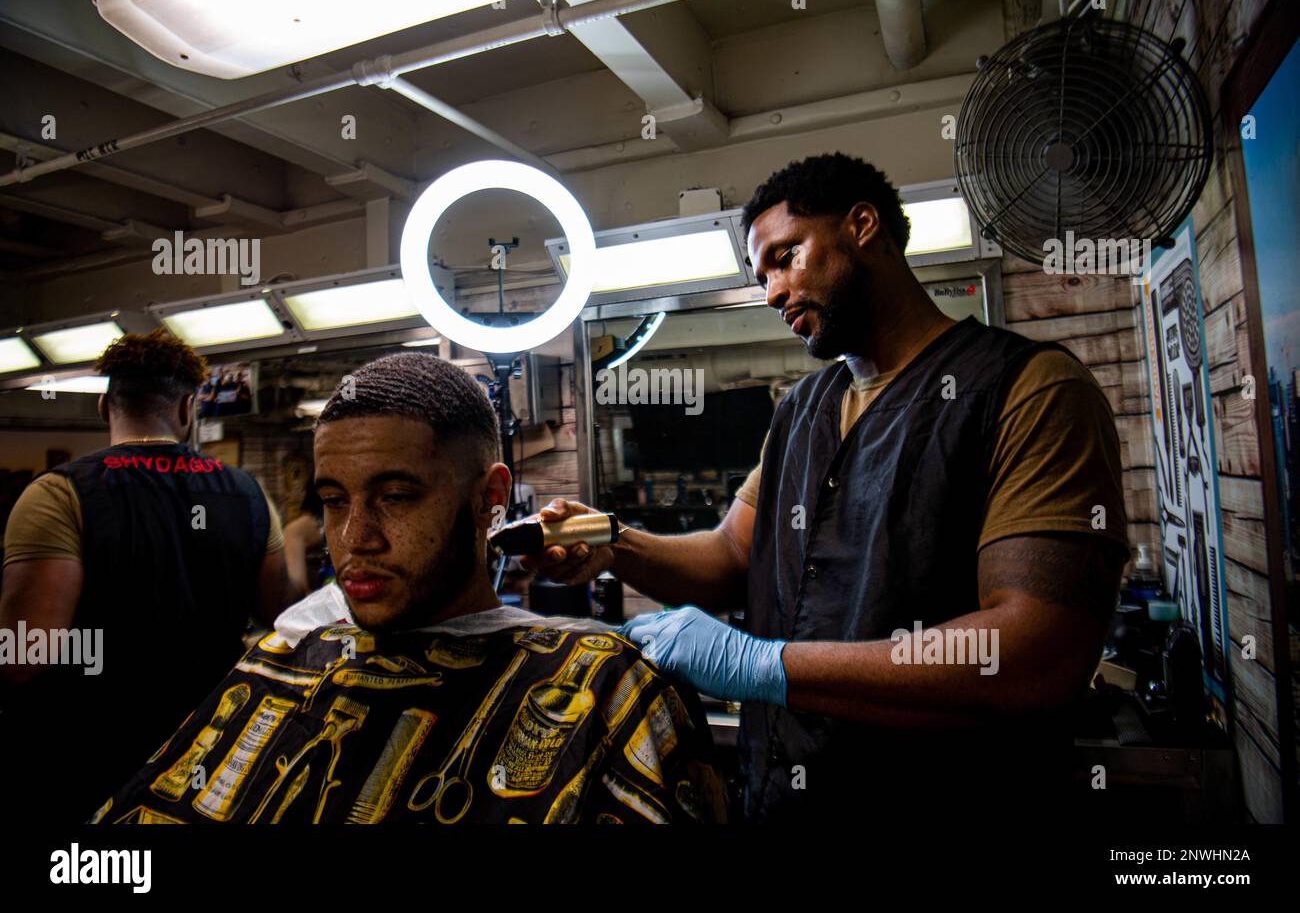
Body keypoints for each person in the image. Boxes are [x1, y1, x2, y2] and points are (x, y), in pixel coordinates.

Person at [527, 153, 1131, 823]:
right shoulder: (803, 410)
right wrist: (615, 541)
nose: (773, 291)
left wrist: (767, 667)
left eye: (786, 256)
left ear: (863, 226)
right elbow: (733, 558)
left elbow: (1034, 654)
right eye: (763, 275)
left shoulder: (1027, 389)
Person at [93, 353, 724, 824]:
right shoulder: (279, 661)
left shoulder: (605, 687)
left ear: (490, 499)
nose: (354, 537)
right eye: (333, 500)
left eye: (395, 497)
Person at [0, 329, 303, 823]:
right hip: (206, 754)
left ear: (104, 407)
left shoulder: (58, 494)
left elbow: (26, 655)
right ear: (188, 410)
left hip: (89, 763)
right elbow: (282, 619)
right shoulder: (247, 494)